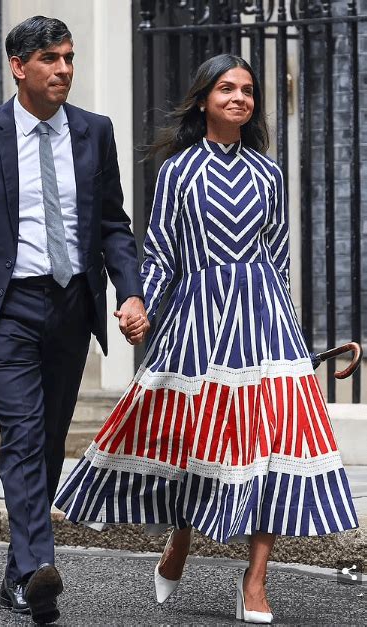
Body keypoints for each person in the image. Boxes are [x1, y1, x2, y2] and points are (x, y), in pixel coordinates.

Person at [54, 54, 358, 624]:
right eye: (226, 88)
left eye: (247, 90)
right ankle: (181, 536)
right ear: (203, 100)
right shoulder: (178, 172)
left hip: (265, 320)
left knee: (275, 442)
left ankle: (255, 581)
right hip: (199, 320)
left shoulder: (269, 175)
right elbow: (161, 253)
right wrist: (139, 304)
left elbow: (277, 259)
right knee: (199, 436)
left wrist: (293, 335)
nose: (240, 97)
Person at [0, 16, 149, 625]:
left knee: (46, 444)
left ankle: (18, 575)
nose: (64, 69)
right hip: (6, 310)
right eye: (50, 58)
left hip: (72, 307)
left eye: (69, 57)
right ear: (19, 67)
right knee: (22, 437)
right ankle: (39, 571)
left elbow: (113, 225)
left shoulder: (95, 132)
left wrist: (130, 293)